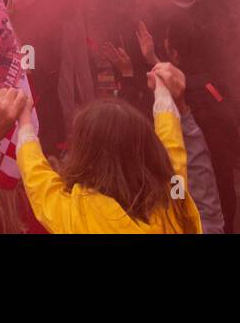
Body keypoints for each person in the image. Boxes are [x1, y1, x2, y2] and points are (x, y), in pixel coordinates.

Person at [13, 61, 203, 233]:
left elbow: (36, 177)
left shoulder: (78, 217)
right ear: (150, 150)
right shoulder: (171, 196)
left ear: (84, 155)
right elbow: (172, 149)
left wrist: (24, 120)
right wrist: (162, 90)